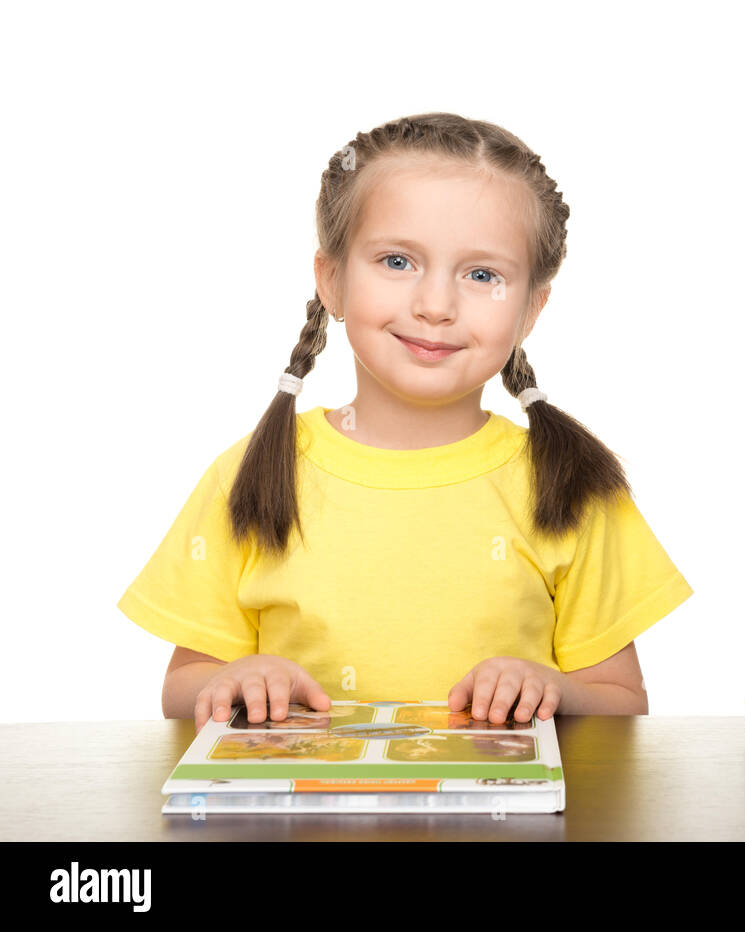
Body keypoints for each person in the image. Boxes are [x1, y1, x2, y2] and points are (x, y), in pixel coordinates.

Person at [117, 112, 693, 735]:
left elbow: (620, 699)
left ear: (531, 308)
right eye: (396, 261)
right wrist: (237, 679)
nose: (435, 306)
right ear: (331, 280)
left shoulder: (571, 485)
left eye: (482, 275)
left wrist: (552, 687)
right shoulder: (250, 473)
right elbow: (182, 690)